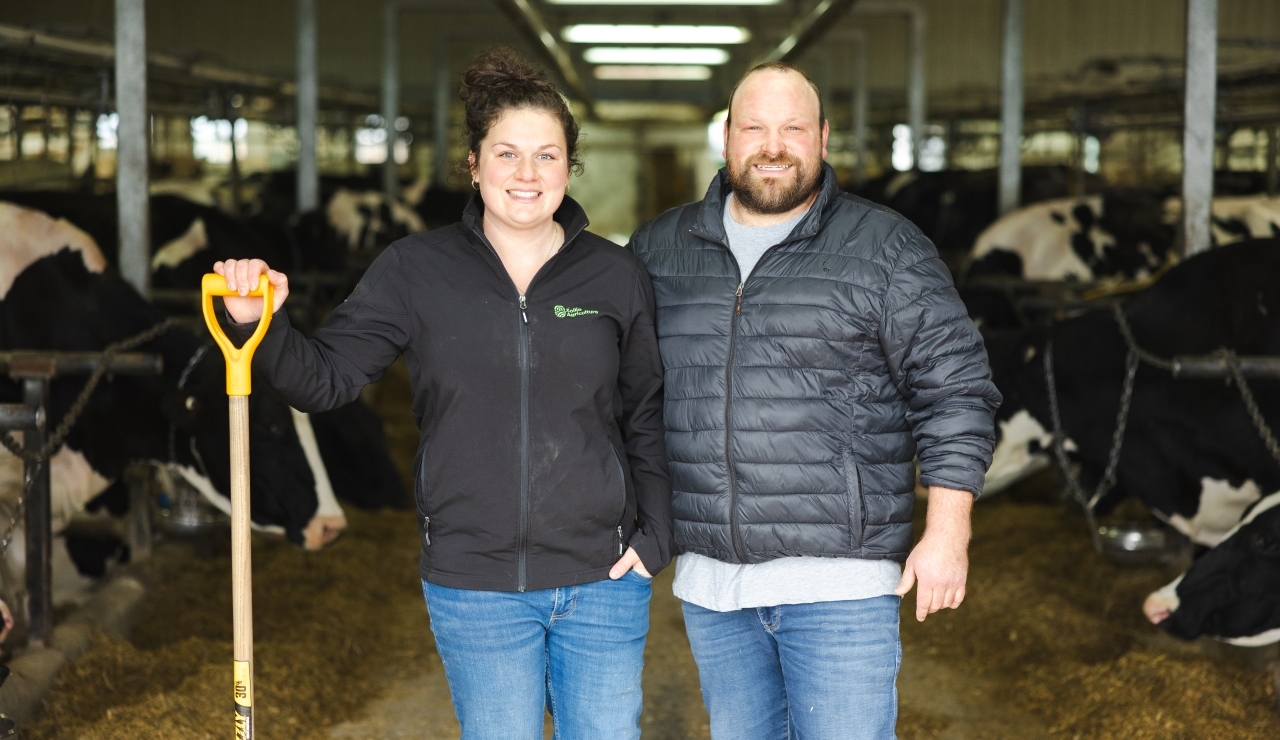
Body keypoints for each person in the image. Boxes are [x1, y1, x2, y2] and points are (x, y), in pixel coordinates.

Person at [215, 47, 672, 740]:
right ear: (474, 163)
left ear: (570, 167)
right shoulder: (413, 271)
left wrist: (656, 534)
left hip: (601, 578)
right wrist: (261, 324)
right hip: (473, 582)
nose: (527, 175)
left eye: (547, 156)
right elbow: (325, 379)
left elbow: (646, 411)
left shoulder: (615, 276)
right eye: (507, 154)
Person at [628, 62, 1001, 739]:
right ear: (728, 138)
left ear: (823, 137)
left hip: (840, 583)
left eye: (793, 127)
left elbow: (956, 388)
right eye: (755, 127)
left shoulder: (884, 248)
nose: (773, 146)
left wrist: (948, 532)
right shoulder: (660, 248)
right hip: (713, 582)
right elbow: (618, 390)